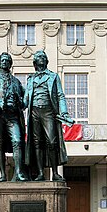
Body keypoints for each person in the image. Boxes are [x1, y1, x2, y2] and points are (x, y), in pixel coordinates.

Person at [24, 50, 73, 181]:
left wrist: (64, 112)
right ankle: (40, 173)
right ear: (35, 62)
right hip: (34, 112)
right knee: (37, 143)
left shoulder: (53, 76)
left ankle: (55, 173)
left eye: (43, 57)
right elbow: (26, 99)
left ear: (46, 61)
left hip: (48, 112)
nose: (41, 58)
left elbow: (60, 95)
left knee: (52, 141)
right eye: (39, 57)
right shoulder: (31, 78)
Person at [0, 52, 28, 182]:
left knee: (17, 141)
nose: (5, 62)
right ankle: (3, 175)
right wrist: (0, 103)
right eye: (3, 60)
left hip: (12, 116)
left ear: (10, 64)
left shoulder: (16, 81)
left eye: (7, 60)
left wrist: (22, 103)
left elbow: (25, 98)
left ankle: (18, 173)